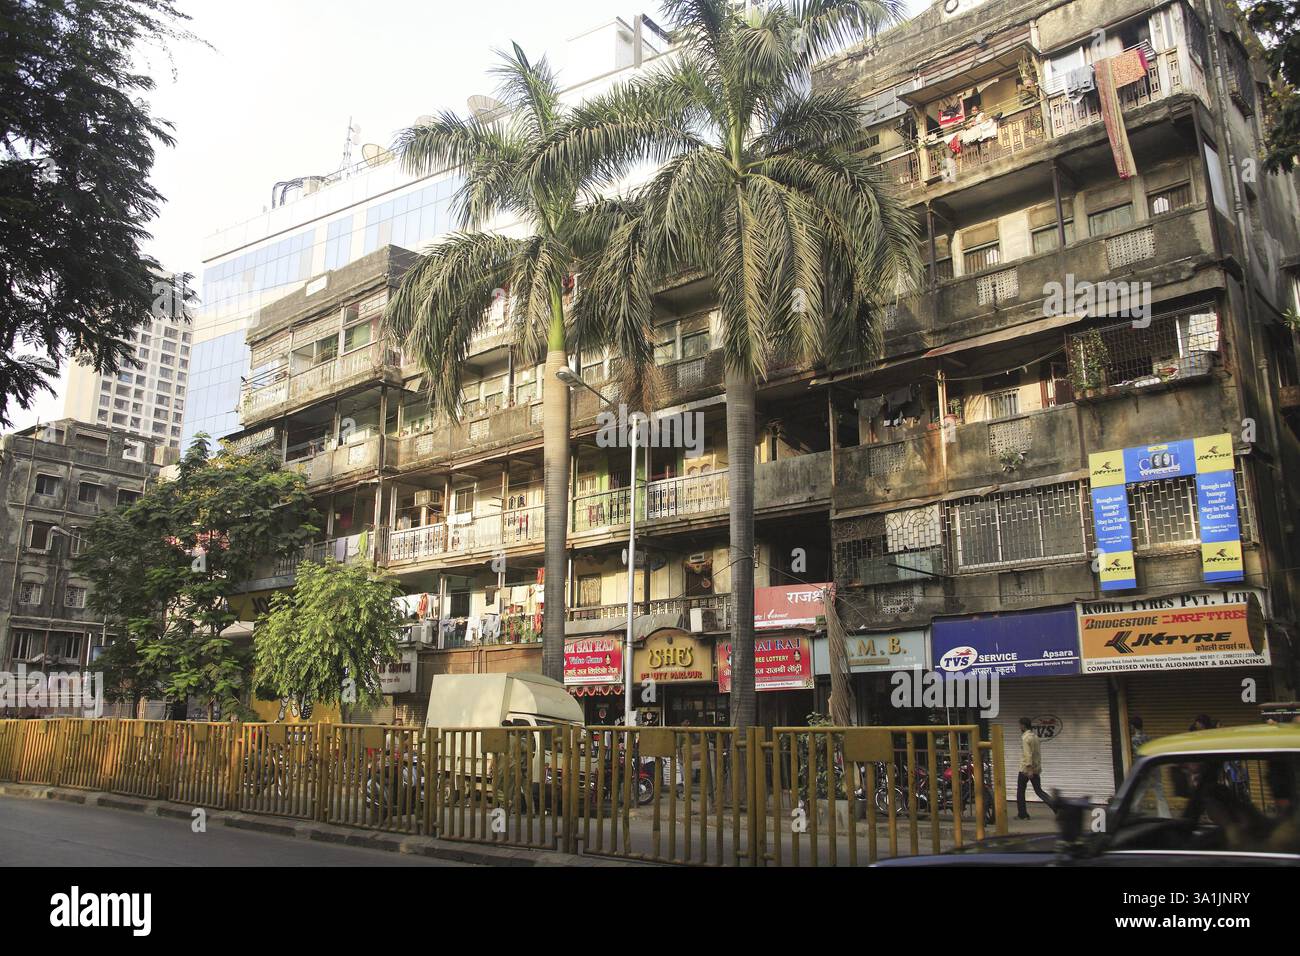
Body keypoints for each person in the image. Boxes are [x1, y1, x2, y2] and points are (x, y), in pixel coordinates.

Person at [1129, 715, 1171, 817]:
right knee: (1159, 790)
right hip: (1155, 765)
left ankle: (1134, 809)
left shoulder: (1133, 740)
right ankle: (1165, 815)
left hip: (1145, 766)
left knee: (1141, 789)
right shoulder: (1148, 738)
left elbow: (1138, 755)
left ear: (1133, 726)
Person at [1016, 717, 1053, 820]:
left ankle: (1022, 815)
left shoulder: (1025, 738)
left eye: (1020, 725)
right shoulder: (1035, 737)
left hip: (1026, 770)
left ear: (1023, 725)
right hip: (1035, 768)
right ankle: (1057, 808)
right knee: (1039, 791)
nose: (1019, 727)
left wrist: (1029, 769)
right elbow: (1037, 754)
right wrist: (1035, 769)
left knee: (1020, 792)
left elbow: (1028, 755)